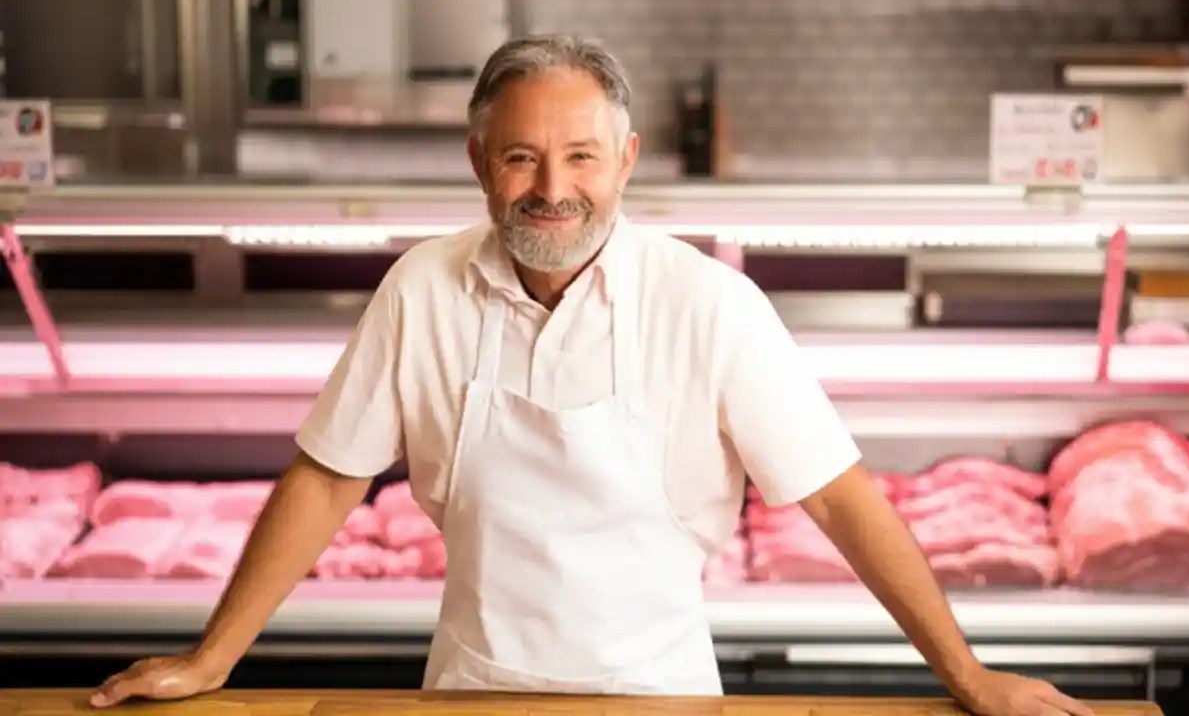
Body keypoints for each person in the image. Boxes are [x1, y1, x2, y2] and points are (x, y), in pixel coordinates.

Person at [89, 35, 1093, 716]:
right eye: (522, 157)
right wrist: (214, 655)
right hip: (471, 692)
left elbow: (834, 498)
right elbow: (327, 476)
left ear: (625, 161)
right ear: (478, 160)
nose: (553, 188)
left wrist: (961, 673)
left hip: (657, 694)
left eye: (580, 156)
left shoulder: (706, 303)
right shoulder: (421, 290)